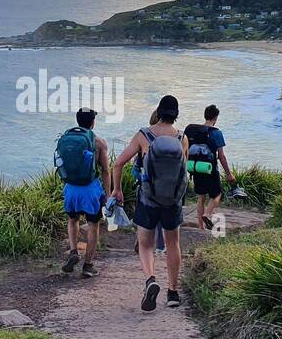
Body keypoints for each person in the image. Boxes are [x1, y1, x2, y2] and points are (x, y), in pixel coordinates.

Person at [111, 94, 188, 311]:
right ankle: (173, 292)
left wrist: (117, 190)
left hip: (148, 199)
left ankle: (151, 279)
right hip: (172, 201)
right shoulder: (182, 138)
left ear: (159, 112)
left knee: (145, 244)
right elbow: (184, 172)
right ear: (176, 115)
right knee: (173, 244)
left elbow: (118, 164)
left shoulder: (144, 135)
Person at [56, 107, 110, 277]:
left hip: (71, 188)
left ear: (78, 120)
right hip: (90, 190)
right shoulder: (99, 142)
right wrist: (108, 194)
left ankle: (73, 251)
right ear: (93, 123)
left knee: (73, 220)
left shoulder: (66, 138)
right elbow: (106, 171)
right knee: (93, 225)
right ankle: (88, 265)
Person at [183, 104, 235, 230]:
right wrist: (229, 173)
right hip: (210, 169)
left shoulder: (192, 130)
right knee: (217, 195)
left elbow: (184, 149)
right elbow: (221, 156)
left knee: (201, 197)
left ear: (205, 115)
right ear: (215, 118)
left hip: (195, 168)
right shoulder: (216, 133)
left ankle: (201, 227)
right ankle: (207, 214)